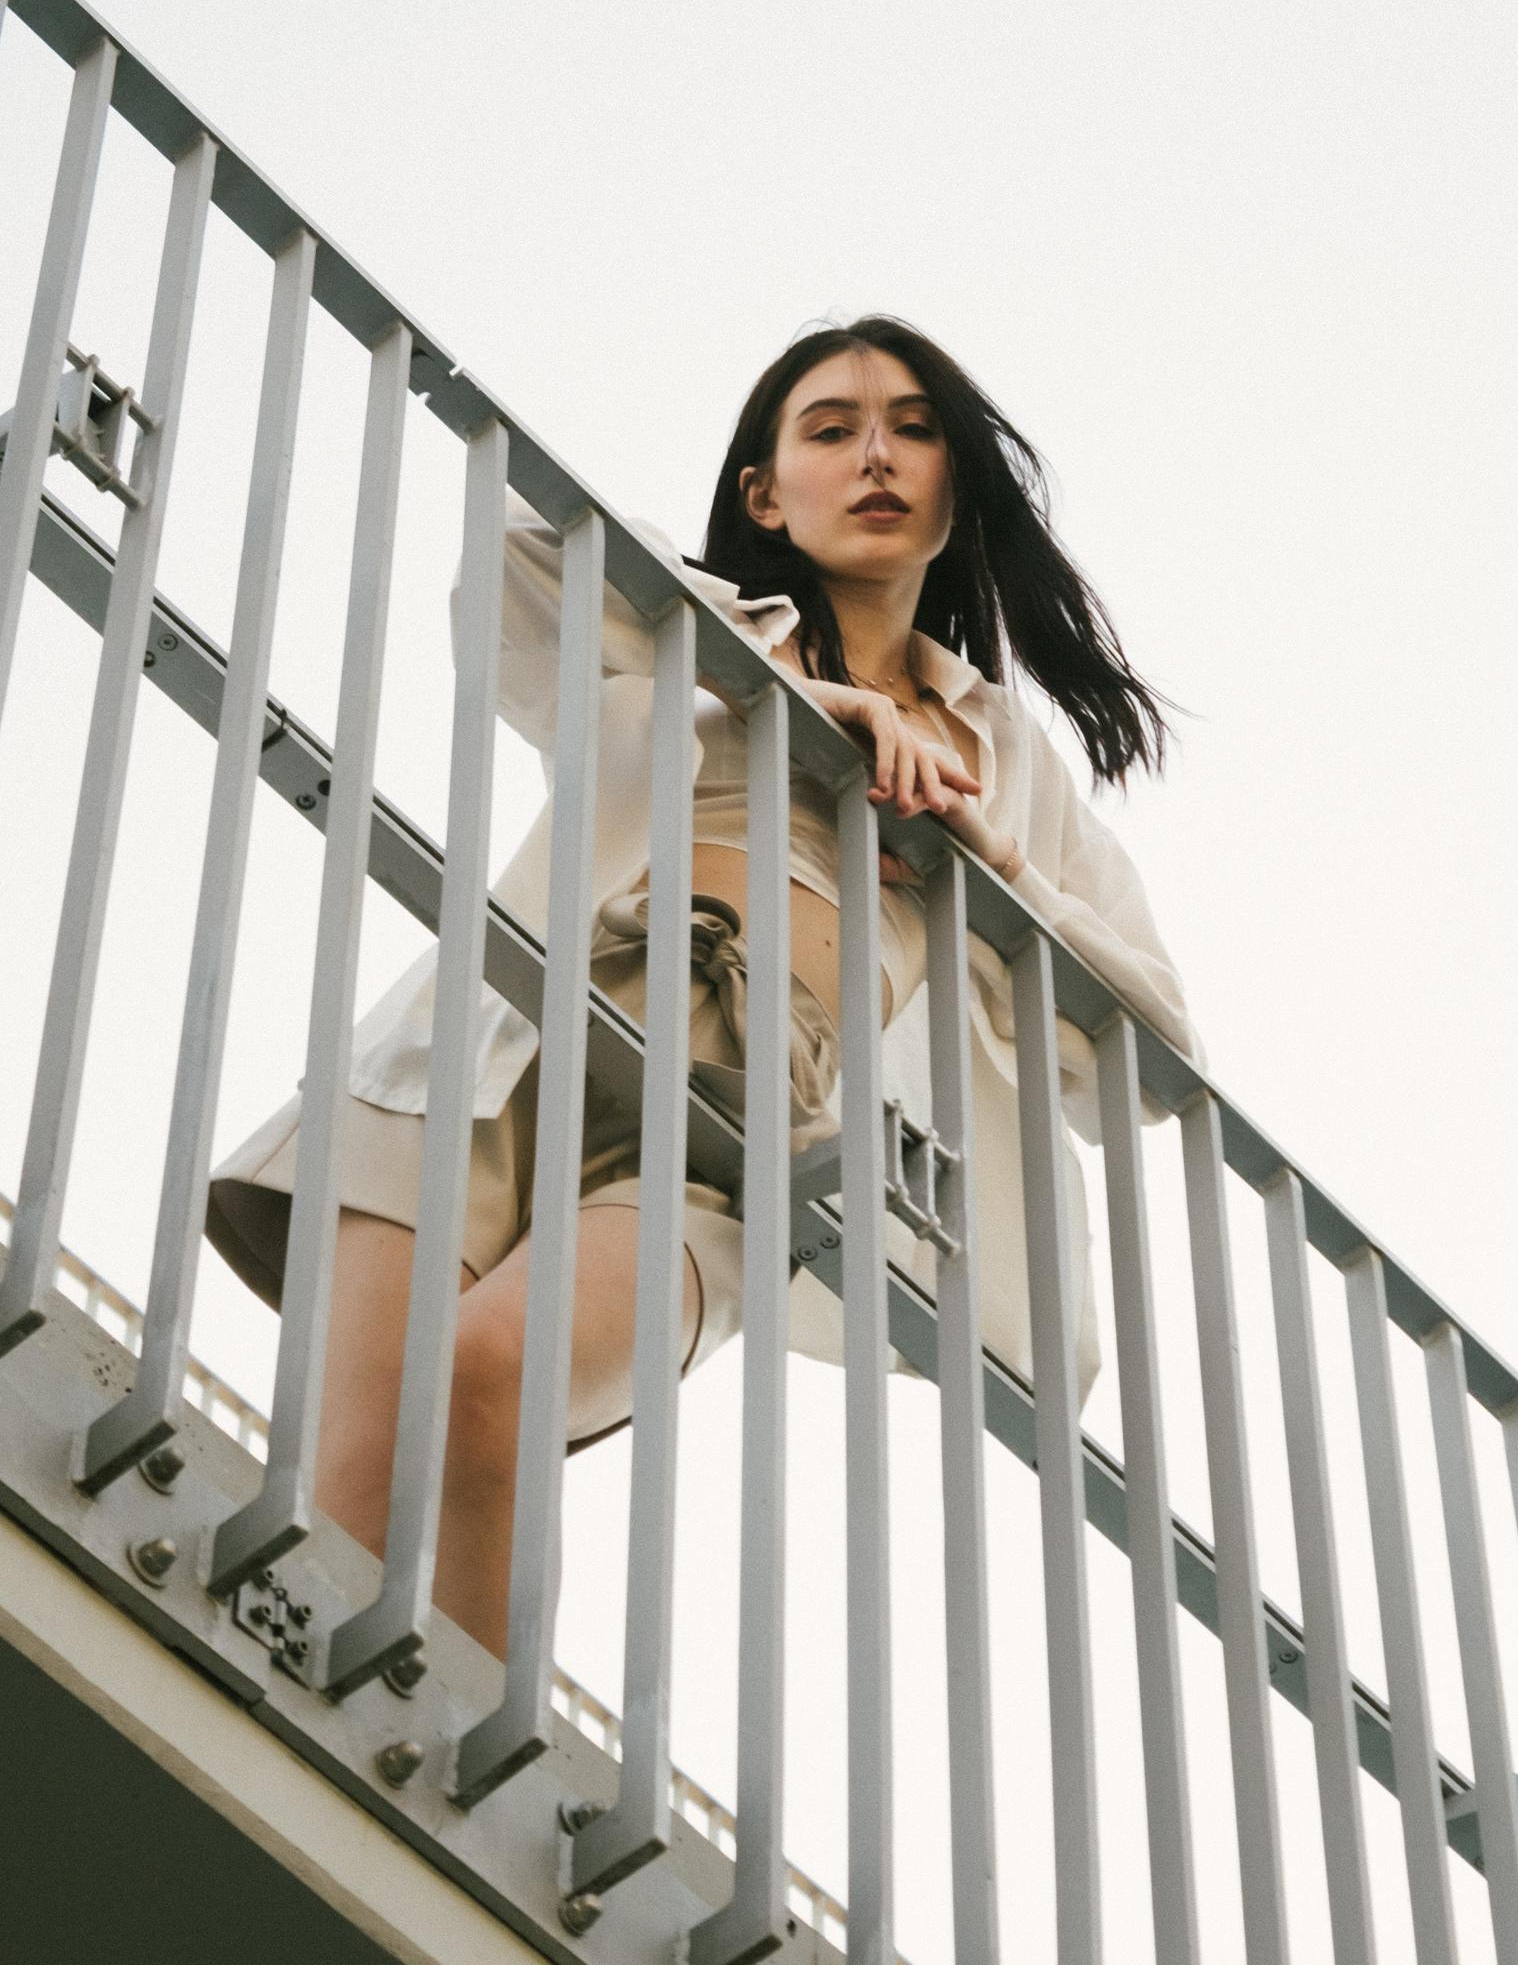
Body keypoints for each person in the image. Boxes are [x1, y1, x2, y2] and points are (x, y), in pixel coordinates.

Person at [208, 319, 1199, 1654]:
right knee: (349, 1492)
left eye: (912, 428)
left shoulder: (1001, 751)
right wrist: (794, 691)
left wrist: (992, 863)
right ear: (764, 492)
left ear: (954, 483)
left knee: (491, 1375)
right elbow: (513, 545)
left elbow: (1155, 1046)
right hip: (503, 1032)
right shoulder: (692, 628)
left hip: (739, 1123)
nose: (876, 457)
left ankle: (465, 1794)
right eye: (831, 430)